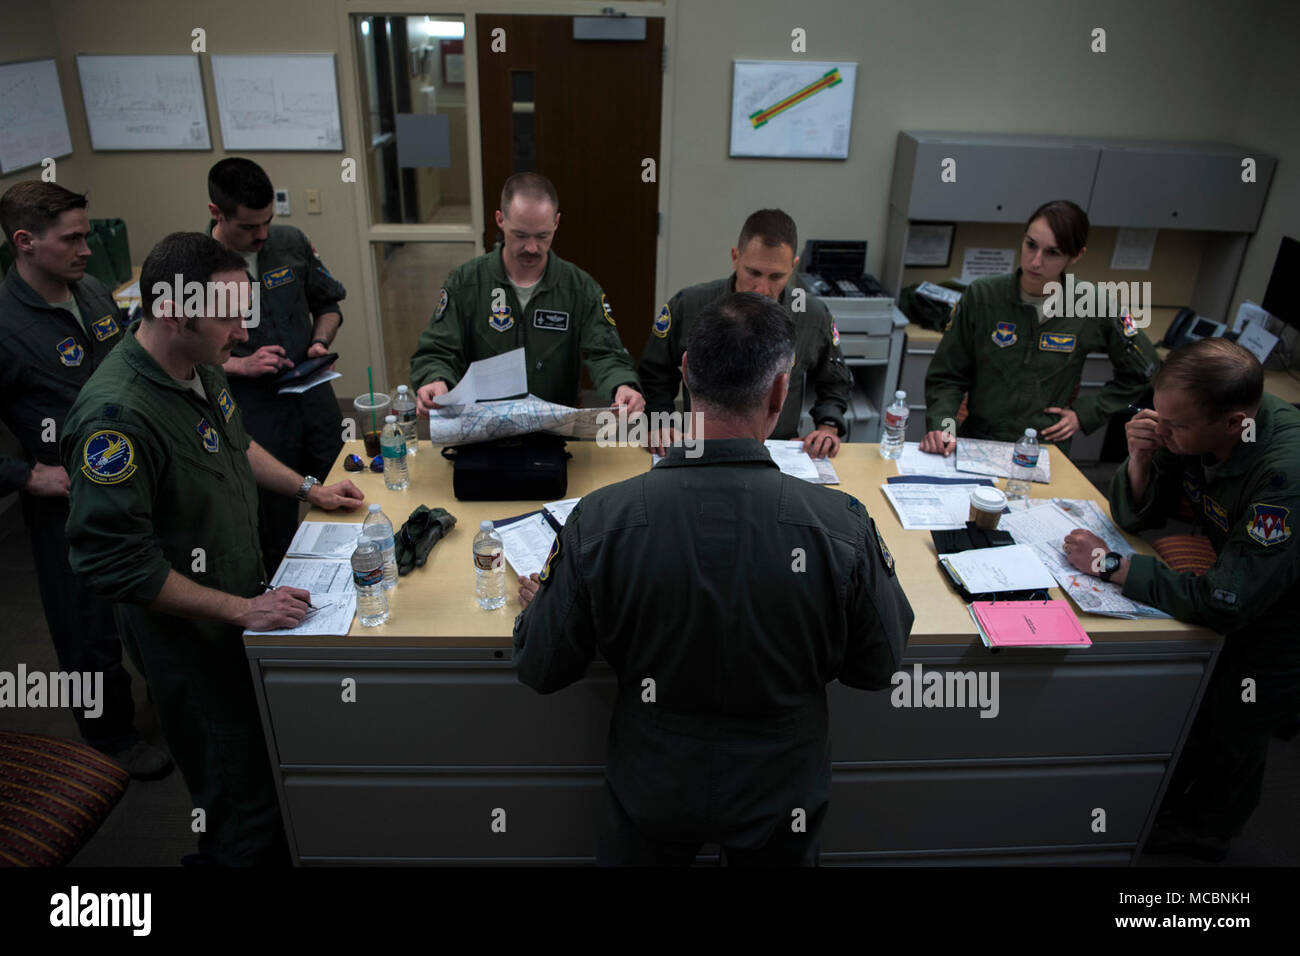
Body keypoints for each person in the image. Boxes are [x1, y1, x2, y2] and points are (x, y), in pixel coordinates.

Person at [512, 292, 913, 865]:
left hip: (654, 784)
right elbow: (877, 666)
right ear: (780, 391)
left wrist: (550, 604)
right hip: (782, 793)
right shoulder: (840, 527)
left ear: (683, 374)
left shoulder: (601, 521)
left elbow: (541, 665)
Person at [62, 232, 366, 865]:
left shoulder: (197, 362)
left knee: (266, 761)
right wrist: (243, 610)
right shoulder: (115, 419)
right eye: (230, 318)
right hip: (190, 640)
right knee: (238, 796)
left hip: (235, 600)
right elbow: (115, 564)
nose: (244, 332)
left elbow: (234, 443)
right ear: (174, 313)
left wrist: (309, 488)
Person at [1062, 339, 1300, 861]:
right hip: (1238, 566)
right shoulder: (1191, 423)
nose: (1162, 431)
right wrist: (1140, 456)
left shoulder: (1285, 474)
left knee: (1238, 715)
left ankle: (1209, 831)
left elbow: (1228, 601)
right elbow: (1140, 515)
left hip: (1285, 608)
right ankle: (1169, 803)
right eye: (1156, 415)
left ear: (1235, 424)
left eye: (1176, 427)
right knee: (1199, 703)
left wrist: (1109, 565)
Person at [0, 181, 171, 780]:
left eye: (86, 234)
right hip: (67, 502)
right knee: (86, 627)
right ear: (25, 241)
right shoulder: (4, 324)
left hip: (133, 474)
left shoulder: (93, 290)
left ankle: (167, 698)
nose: (87, 248)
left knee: (154, 595)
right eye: (72, 239)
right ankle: (110, 738)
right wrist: (24, 474)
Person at [921, 199, 1160, 455]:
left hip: (1044, 448)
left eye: (1052, 253)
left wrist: (1085, 413)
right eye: (1031, 245)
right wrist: (944, 427)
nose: (1035, 262)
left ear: (1076, 255)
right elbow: (947, 376)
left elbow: (1145, 369)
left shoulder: (1093, 304)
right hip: (979, 441)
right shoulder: (983, 295)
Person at [206, 158, 347, 574]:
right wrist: (242, 365)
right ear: (217, 213)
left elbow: (328, 304)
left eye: (268, 221)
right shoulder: (197, 266)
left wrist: (320, 341)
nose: (262, 234)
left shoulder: (290, 242)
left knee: (344, 495)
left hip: (314, 398)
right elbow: (180, 355)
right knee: (274, 525)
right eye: (249, 227)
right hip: (256, 412)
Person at [410, 172, 644, 415]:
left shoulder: (580, 289)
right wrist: (435, 379)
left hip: (554, 428)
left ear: (556, 223)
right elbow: (438, 349)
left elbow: (606, 353)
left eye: (542, 236)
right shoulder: (466, 283)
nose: (532, 248)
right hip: (481, 427)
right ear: (500, 220)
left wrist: (622, 385)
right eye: (520, 235)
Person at [639, 208, 852, 458]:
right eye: (753, 273)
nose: (762, 288)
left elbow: (835, 381)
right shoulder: (690, 305)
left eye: (776, 276)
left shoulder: (811, 314)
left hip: (776, 451)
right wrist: (660, 423)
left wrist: (828, 427)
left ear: (793, 267)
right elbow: (655, 372)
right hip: (704, 447)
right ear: (735, 257)